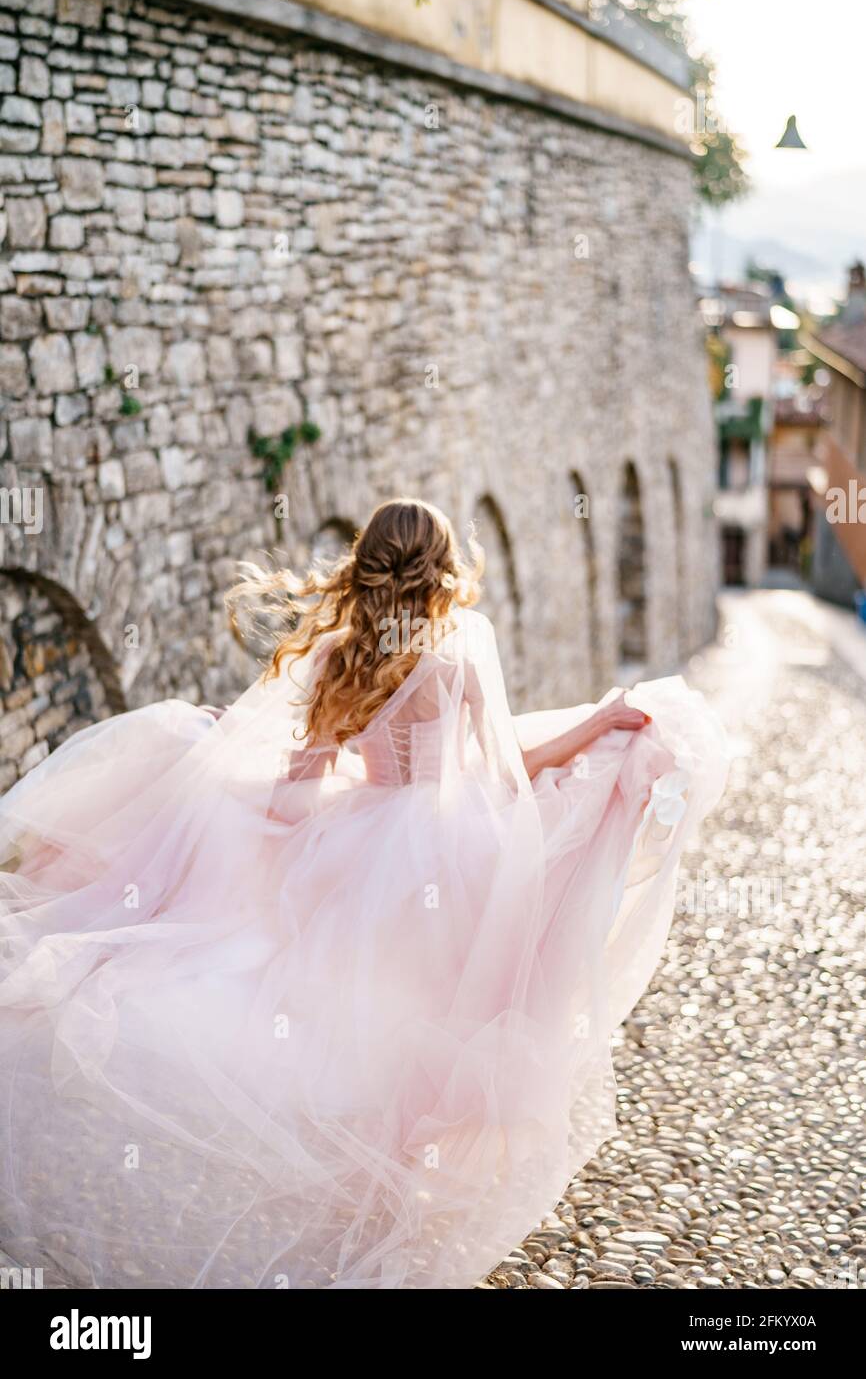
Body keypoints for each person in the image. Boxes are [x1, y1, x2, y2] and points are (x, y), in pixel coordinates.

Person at [0, 498, 726, 1289]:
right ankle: (402, 1185)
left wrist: (234, 759)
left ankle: (358, 1186)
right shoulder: (457, 650)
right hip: (450, 851)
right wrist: (603, 724)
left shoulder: (341, 650)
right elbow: (506, 767)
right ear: (441, 567)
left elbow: (293, 788)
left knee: (354, 1021)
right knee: (437, 1010)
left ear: (367, 560)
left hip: (358, 845)